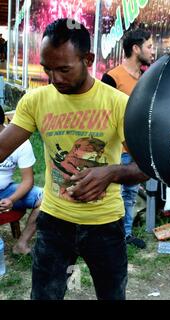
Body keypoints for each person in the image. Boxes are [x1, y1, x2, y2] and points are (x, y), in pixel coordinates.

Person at [0, 19, 148, 300]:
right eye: (47, 69)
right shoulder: (35, 101)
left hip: (105, 224)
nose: (54, 78)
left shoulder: (118, 103)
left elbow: (146, 167)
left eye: (64, 69)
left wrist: (111, 173)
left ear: (87, 59)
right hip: (54, 222)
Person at [102, 28, 154, 249]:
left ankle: (125, 234)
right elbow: (101, 114)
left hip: (138, 149)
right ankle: (107, 235)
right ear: (136, 48)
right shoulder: (111, 77)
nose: (153, 51)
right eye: (150, 46)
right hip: (115, 150)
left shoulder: (147, 79)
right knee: (111, 194)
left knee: (131, 194)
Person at [0, 107, 43, 255]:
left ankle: (21, 244)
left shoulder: (19, 141)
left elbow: (28, 180)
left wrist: (11, 199)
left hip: (6, 191)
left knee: (47, 199)